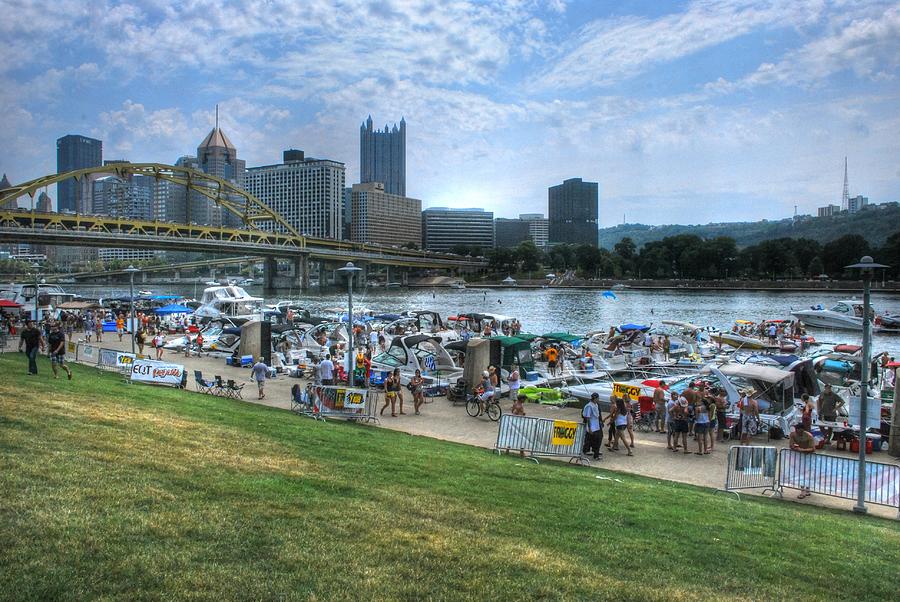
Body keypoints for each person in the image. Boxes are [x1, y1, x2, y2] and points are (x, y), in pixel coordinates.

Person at [789, 423, 816, 499]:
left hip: (809, 456)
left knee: (808, 473)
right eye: (797, 431)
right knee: (800, 473)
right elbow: (791, 445)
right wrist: (794, 447)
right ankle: (802, 491)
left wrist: (802, 450)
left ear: (803, 430)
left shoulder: (809, 436)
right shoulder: (793, 435)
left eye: (800, 431)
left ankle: (807, 489)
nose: (798, 433)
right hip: (799, 457)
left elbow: (813, 449)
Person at [581, 392, 603, 460]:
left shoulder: (596, 405)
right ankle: (595, 454)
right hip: (592, 427)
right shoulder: (589, 406)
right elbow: (588, 418)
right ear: (595, 398)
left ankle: (595, 451)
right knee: (595, 439)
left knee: (598, 439)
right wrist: (590, 428)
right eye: (598, 398)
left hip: (597, 426)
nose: (599, 399)